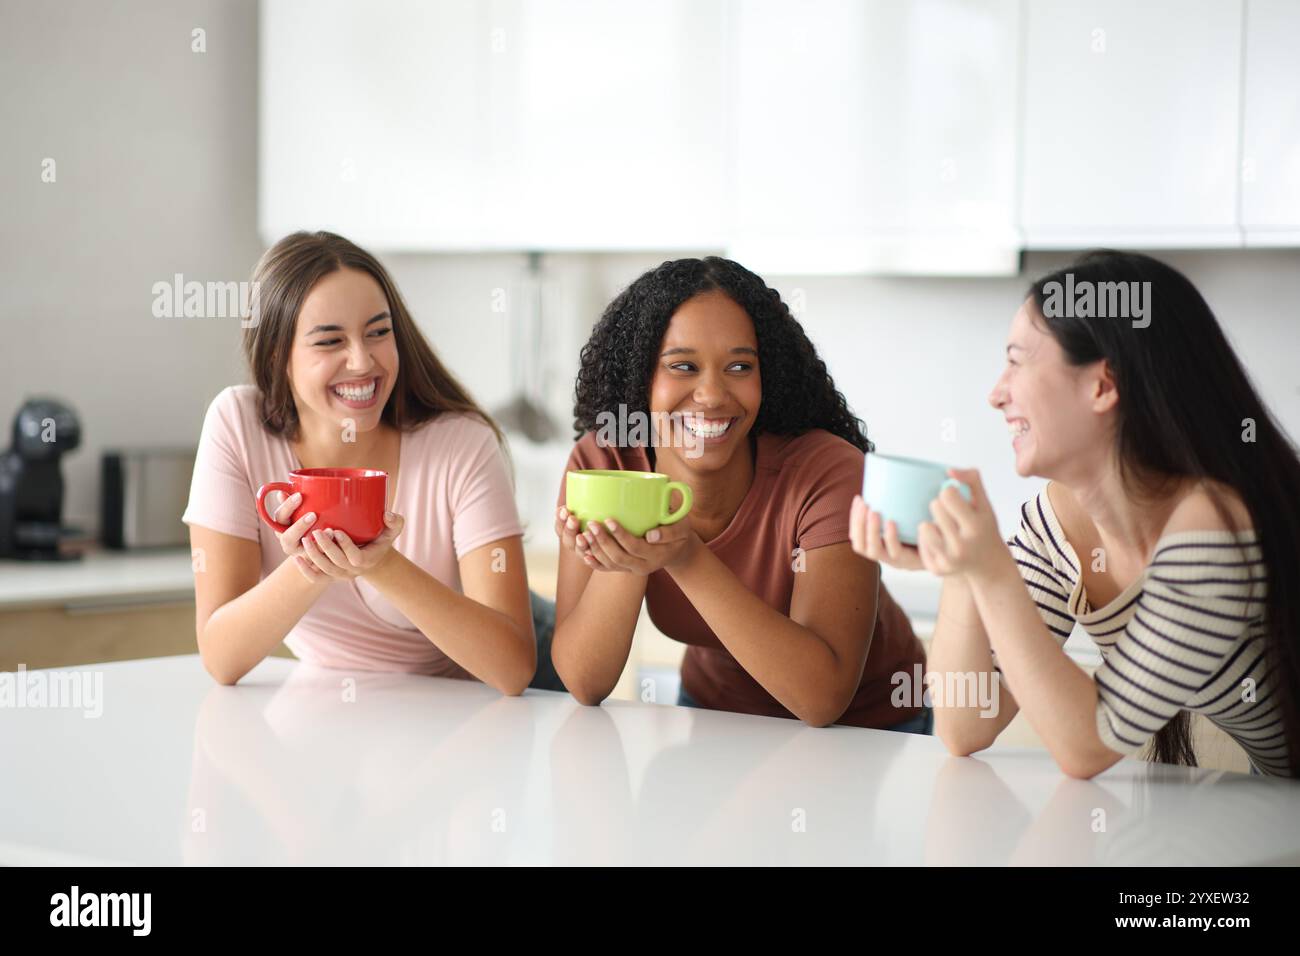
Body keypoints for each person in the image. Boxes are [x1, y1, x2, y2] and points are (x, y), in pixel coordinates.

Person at [852, 250, 1298, 777]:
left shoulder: (1213, 524)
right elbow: (965, 723)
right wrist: (962, 569)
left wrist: (991, 569)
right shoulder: (1057, 523)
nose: (996, 394)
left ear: (1102, 385)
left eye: (1017, 360)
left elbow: (1089, 744)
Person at [551, 257, 928, 730]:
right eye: (683, 366)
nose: (711, 394)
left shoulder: (826, 473)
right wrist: (628, 555)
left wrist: (684, 554)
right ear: (640, 376)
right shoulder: (605, 466)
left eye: (739, 366)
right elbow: (584, 682)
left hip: (867, 731)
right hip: (717, 713)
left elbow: (821, 699)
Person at [184, 231, 562, 693]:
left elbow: (513, 668)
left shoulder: (461, 443)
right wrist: (311, 566)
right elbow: (223, 658)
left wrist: (381, 564)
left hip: (511, 688)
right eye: (329, 341)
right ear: (279, 354)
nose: (363, 361)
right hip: (367, 708)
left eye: (378, 332)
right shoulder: (237, 425)